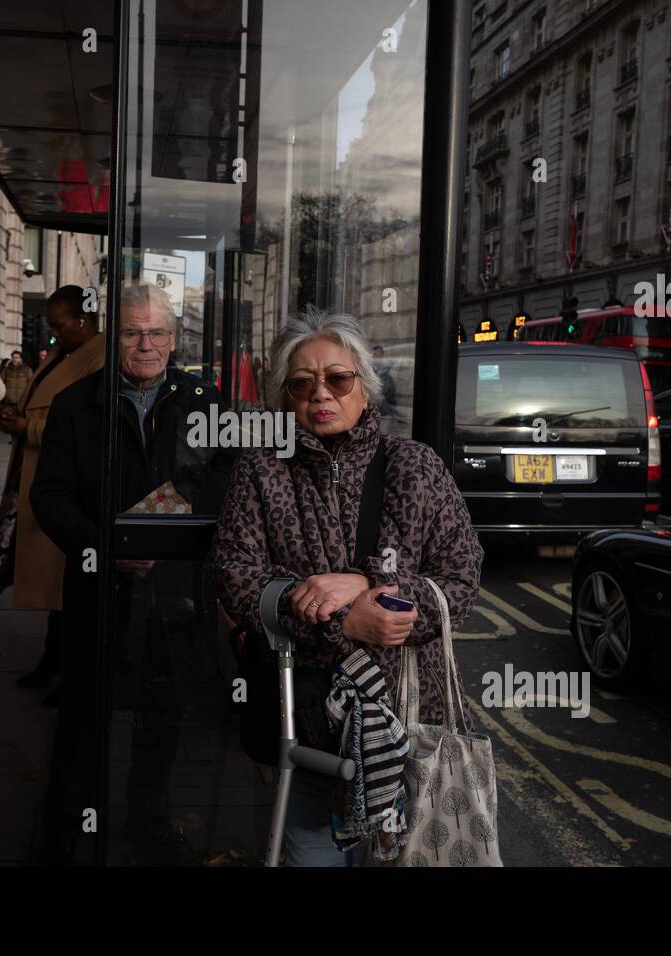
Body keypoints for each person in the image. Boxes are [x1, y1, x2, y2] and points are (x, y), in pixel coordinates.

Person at [208, 310, 484, 866]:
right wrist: (343, 621)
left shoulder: (416, 466)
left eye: (337, 378)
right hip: (311, 718)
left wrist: (369, 584)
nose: (321, 394)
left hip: (410, 717)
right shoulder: (261, 470)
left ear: (365, 388)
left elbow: (462, 579)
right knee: (312, 849)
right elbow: (236, 574)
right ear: (285, 397)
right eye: (302, 383)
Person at [28, 282, 236, 863]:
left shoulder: (206, 401)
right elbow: (51, 496)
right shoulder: (77, 404)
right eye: (132, 332)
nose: (145, 344)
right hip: (99, 584)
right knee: (84, 715)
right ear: (114, 338)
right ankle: (64, 829)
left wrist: (170, 518)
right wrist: (108, 544)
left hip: (174, 591)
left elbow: (229, 475)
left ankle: (147, 817)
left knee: (162, 713)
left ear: (173, 340)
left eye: (156, 333)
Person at [0, 286, 104, 696]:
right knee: (56, 591)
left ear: (83, 321)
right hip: (36, 475)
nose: (52, 333)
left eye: (58, 324)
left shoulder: (98, 356)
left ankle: (68, 673)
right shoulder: (64, 353)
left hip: (65, 484)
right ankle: (53, 661)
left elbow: (88, 426)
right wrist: (15, 415)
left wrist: (28, 428)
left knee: (64, 586)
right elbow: (44, 403)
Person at [371, 345, 397, 419]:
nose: (376, 358)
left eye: (378, 356)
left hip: (384, 406)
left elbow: (391, 394)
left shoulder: (387, 373)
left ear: (382, 356)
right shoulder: (369, 371)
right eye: (375, 356)